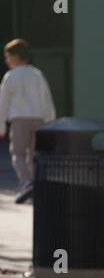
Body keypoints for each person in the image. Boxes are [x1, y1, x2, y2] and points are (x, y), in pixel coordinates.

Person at [0, 38, 56, 203]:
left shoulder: (11, 76)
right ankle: (36, 183)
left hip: (19, 120)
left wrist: (1, 124)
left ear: (16, 57)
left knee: (17, 152)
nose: (7, 60)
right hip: (39, 119)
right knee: (34, 154)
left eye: (8, 56)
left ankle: (26, 182)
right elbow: (47, 98)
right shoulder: (37, 74)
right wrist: (50, 120)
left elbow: (3, 102)